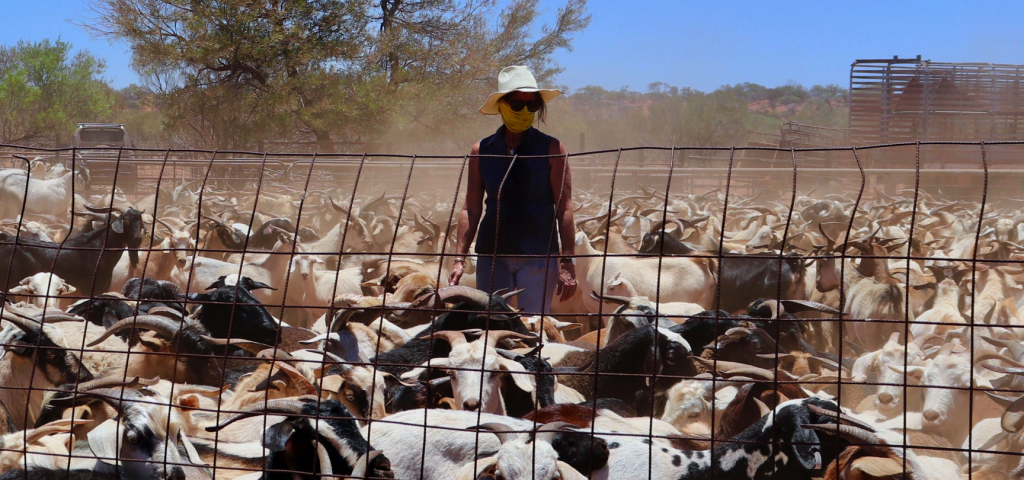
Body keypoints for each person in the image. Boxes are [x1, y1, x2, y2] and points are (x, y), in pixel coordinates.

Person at [448, 65, 577, 314]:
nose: (526, 111)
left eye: (533, 105)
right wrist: (459, 258)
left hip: (538, 255)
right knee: (492, 323)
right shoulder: (482, 150)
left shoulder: (552, 149)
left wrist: (568, 261)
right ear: (502, 106)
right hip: (492, 255)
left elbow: (564, 207)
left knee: (534, 324)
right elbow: (471, 208)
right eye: (518, 104)